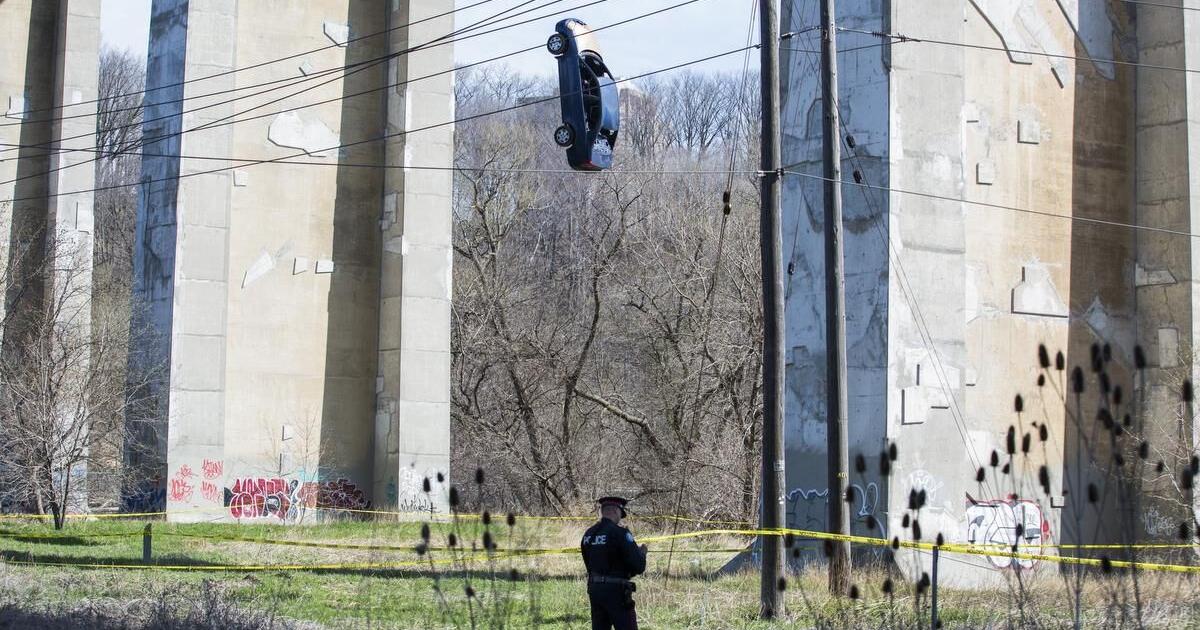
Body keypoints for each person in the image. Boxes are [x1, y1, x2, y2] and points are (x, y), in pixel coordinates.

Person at [580, 496, 647, 630]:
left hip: (595, 590)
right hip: (617, 592)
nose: (620, 519)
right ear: (617, 511)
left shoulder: (588, 534)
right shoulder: (620, 533)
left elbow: (589, 565)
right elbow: (638, 566)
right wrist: (642, 553)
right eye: (621, 515)